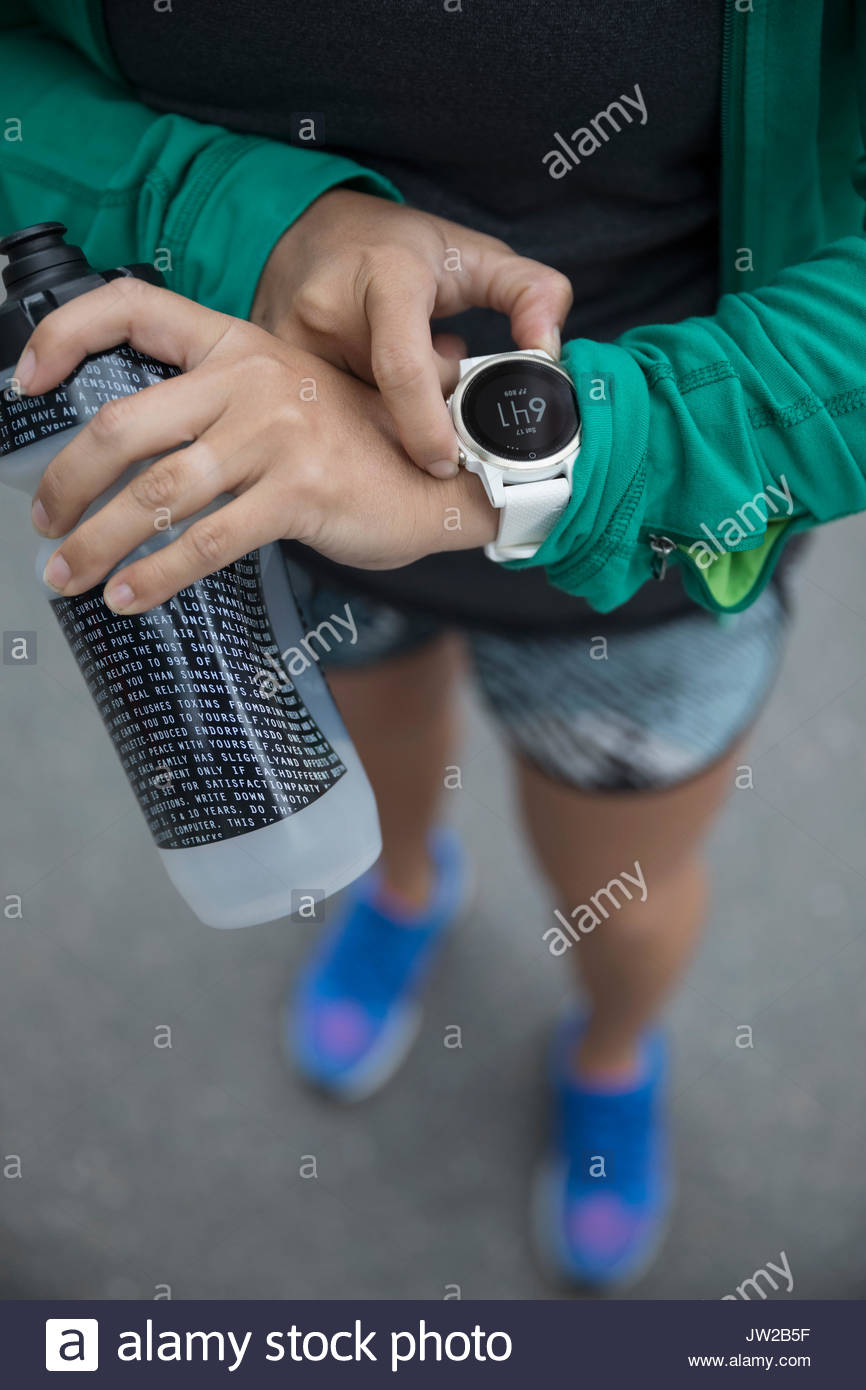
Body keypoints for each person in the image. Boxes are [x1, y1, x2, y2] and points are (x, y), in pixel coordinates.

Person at [4, 0, 866, 1290]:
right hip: (277, 478)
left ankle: (611, 1051)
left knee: (618, 904)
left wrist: (532, 463)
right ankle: (405, 890)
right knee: (372, 755)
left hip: (662, 545)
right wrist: (259, 212)